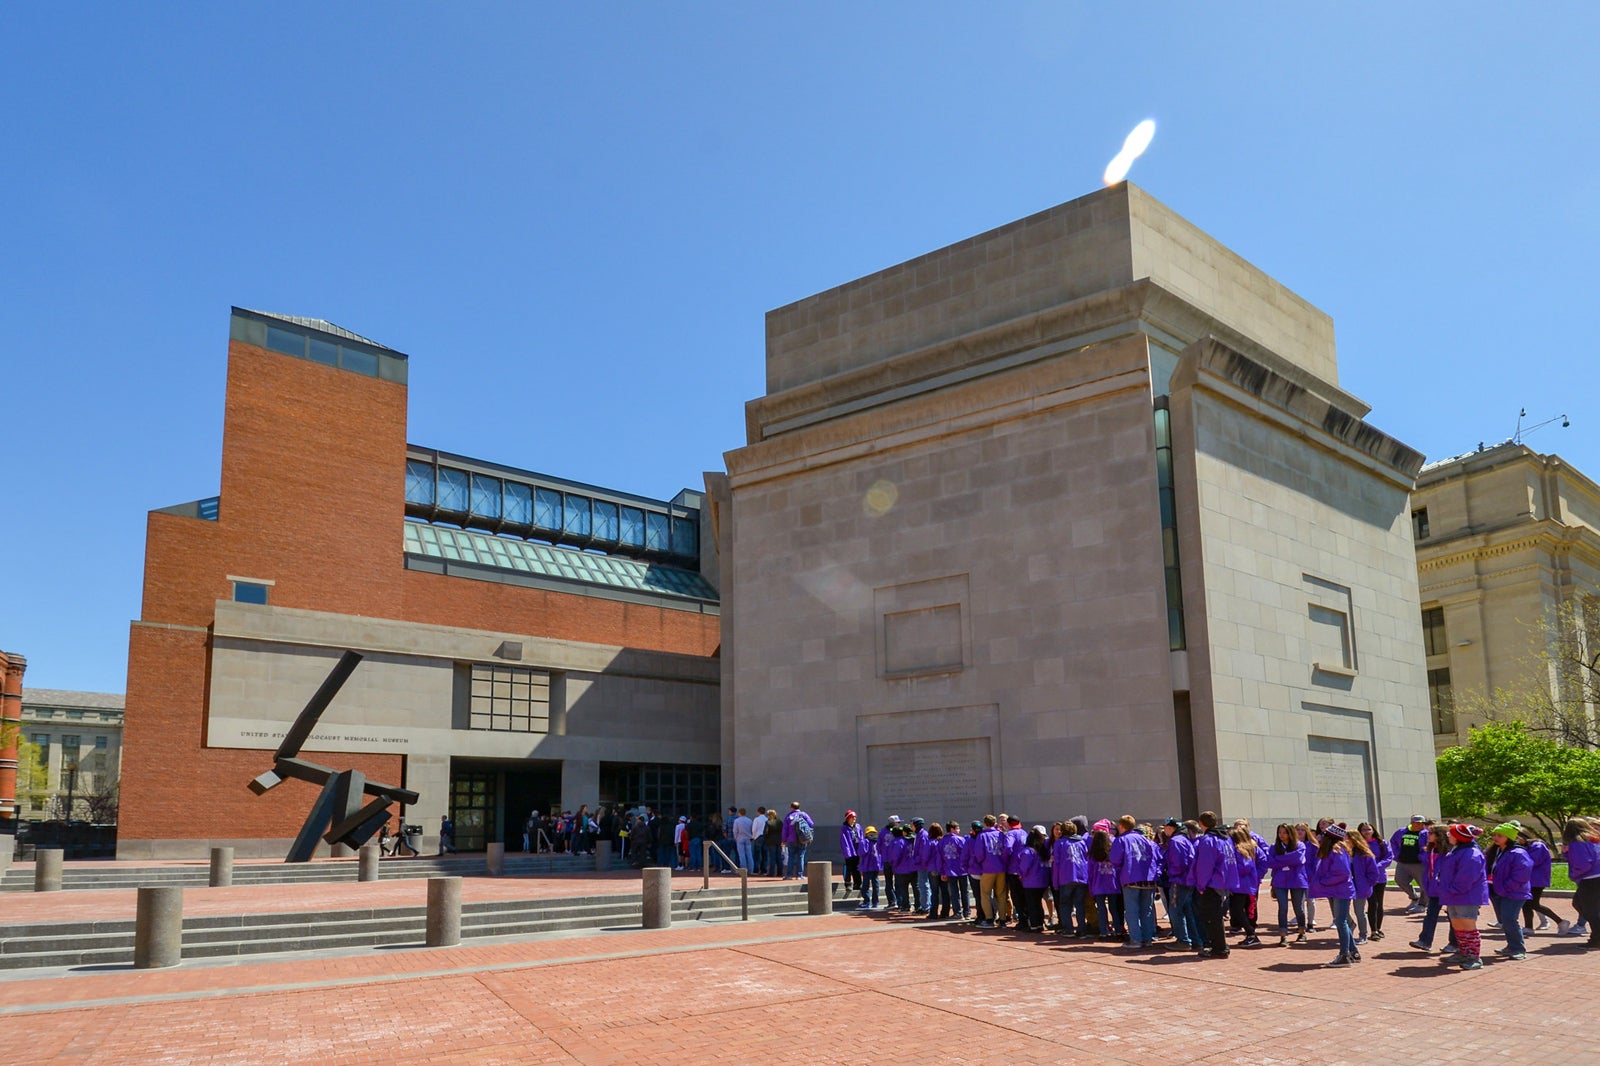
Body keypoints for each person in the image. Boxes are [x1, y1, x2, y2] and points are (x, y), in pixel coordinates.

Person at [1437, 823, 1490, 970]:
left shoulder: (1471, 854)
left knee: (1467, 926)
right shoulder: (1458, 850)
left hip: (1466, 896)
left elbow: (1466, 878)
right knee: (1458, 925)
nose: (1448, 836)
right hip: (1454, 895)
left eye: (1451, 834)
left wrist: (1452, 889)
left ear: (1459, 837)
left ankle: (1474, 957)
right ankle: (1463, 952)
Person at [1309, 824, 1357, 967]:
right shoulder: (1333, 850)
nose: (1321, 837)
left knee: (1341, 921)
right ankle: (1353, 951)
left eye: (1324, 835)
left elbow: (1342, 873)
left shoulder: (1337, 851)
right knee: (1342, 921)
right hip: (1338, 890)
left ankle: (1344, 955)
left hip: (1341, 891)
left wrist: (1323, 881)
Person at [1191, 811, 1236, 959]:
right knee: (1217, 916)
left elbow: (1205, 866)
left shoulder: (1208, 840)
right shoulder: (1225, 838)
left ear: (1201, 823)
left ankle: (1219, 948)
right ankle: (1221, 945)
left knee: (1212, 917)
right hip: (1223, 881)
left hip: (1212, 883)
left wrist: (1201, 886)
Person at [1111, 814, 1160, 948]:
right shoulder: (1146, 840)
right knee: (1147, 910)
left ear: (1121, 826)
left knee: (1132, 910)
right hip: (1148, 878)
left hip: (1131, 877)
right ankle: (1148, 938)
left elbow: (1115, 860)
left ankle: (1136, 939)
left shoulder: (1121, 840)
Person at [1488, 822, 1533, 961]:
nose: (1495, 838)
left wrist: (1506, 887)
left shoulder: (1518, 853)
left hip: (1514, 892)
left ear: (1509, 837)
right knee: (1505, 920)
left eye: (1499, 835)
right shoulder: (1497, 851)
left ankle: (1518, 948)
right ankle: (1511, 946)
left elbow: (1521, 875)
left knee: (1509, 919)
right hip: (1498, 891)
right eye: (1494, 835)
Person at [1410, 824, 1454, 953]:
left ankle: (1454, 944)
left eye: (1430, 833)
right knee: (1430, 915)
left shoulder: (1448, 852)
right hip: (1434, 888)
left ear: (1439, 836)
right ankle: (1425, 941)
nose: (1427, 836)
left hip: (1446, 888)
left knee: (1453, 917)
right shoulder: (1431, 850)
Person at [1518, 827, 1567, 935]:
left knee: (1534, 904)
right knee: (1526, 904)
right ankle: (1528, 927)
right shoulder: (1525, 847)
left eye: (1518, 837)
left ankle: (1561, 921)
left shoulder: (1537, 846)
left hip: (1537, 880)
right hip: (1528, 879)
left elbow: (1533, 861)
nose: (1517, 840)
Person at [1265, 823, 1307, 946]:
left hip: (1297, 879)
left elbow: (1298, 859)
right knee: (1282, 907)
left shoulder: (1300, 845)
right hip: (1280, 880)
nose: (1282, 835)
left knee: (1298, 907)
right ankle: (1283, 935)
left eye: (1285, 832)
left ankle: (1302, 931)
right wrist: (1287, 859)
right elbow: (1270, 862)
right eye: (1280, 833)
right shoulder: (1274, 847)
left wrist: (1280, 859)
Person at [1561, 817, 1600, 949]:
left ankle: (1596, 940)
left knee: (1589, 910)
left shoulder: (1577, 842)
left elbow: (1583, 863)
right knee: (1580, 904)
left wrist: (1574, 874)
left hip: (1590, 878)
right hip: (1595, 877)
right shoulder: (1593, 839)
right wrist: (1567, 853)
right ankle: (1596, 937)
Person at [1160, 819, 1200, 948]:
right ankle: (1195, 940)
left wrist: (1171, 873)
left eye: (1165, 827)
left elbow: (1179, 862)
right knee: (1187, 910)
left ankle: (1183, 940)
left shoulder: (1176, 841)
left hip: (1179, 880)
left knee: (1176, 911)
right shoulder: (1184, 839)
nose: (1164, 830)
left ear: (1171, 828)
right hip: (1187, 880)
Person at [1052, 819, 1089, 938]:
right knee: (1080, 904)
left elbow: (1056, 863)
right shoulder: (1082, 842)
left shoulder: (1060, 843)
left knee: (1065, 904)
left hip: (1066, 876)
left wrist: (1055, 881)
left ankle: (1068, 929)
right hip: (1081, 876)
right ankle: (1081, 929)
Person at [1088, 828, 1125, 941]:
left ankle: (1104, 931)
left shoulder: (1093, 856)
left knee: (1101, 908)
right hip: (1112, 884)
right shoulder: (1112, 854)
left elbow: (1090, 872)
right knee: (1113, 908)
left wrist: (1091, 887)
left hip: (1098, 885)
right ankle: (1118, 930)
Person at [1228, 828, 1263, 947]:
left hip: (1241, 885)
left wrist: (1232, 872)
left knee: (1237, 910)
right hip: (1243, 884)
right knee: (1237, 909)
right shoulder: (1247, 848)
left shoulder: (1240, 850)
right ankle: (1250, 934)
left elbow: (1244, 867)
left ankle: (1251, 934)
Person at [972, 815, 1009, 928]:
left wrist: (982, 862)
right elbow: (1006, 849)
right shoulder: (1001, 834)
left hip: (988, 867)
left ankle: (989, 919)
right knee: (1001, 894)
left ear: (985, 823)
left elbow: (979, 853)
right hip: (1001, 867)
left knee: (985, 894)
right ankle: (1002, 920)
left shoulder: (982, 836)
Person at [1356, 823, 1391, 940]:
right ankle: (1373, 930)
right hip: (1366, 879)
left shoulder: (1381, 843)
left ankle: (1378, 928)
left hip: (1380, 877)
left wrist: (1377, 866)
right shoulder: (1358, 845)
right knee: (1373, 903)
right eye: (1363, 830)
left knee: (1379, 904)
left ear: (1373, 830)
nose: (1366, 832)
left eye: (1368, 829)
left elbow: (1388, 857)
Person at [1349, 828, 1383, 945]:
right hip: (1346, 886)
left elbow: (1374, 873)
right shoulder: (1344, 852)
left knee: (1359, 911)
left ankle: (1363, 935)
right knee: (1340, 911)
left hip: (1361, 886)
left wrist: (1368, 883)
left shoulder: (1365, 853)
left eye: (1347, 839)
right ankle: (1351, 924)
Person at [1390, 814, 1430, 913]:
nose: (1420, 825)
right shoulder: (1401, 832)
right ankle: (1414, 898)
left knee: (1424, 885)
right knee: (1400, 880)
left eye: (1422, 823)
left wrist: (1423, 857)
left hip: (1419, 864)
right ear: (1412, 823)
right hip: (1403, 862)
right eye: (1417, 823)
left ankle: (1422, 904)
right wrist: (1397, 855)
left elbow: (1430, 847)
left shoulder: (1426, 834)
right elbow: (1393, 842)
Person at [1014, 825, 1050, 932]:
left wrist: (1020, 874)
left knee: (1032, 904)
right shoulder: (1042, 851)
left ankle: (1035, 925)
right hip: (1042, 881)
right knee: (1038, 904)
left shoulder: (1028, 851)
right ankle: (1040, 923)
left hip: (1031, 881)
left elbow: (1024, 867)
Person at [939, 821, 970, 920]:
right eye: (957, 828)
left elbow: (941, 858)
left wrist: (942, 872)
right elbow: (966, 854)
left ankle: (957, 912)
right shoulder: (961, 840)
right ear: (952, 829)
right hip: (962, 869)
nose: (959, 830)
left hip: (950, 870)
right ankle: (967, 912)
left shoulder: (942, 842)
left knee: (954, 892)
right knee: (964, 891)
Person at [783, 801, 814, 879]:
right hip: (802, 839)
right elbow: (811, 824)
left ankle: (789, 875)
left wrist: (784, 840)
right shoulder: (803, 815)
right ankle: (800, 875)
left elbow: (785, 830)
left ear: (791, 808)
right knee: (801, 857)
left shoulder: (789, 816)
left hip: (791, 840)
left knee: (791, 857)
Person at [839, 810, 866, 897]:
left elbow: (861, 838)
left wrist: (862, 849)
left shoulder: (858, 826)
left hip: (857, 850)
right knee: (848, 867)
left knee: (857, 868)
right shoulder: (844, 828)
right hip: (850, 851)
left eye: (855, 817)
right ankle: (848, 884)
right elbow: (844, 841)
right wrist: (847, 852)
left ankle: (857, 884)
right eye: (852, 817)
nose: (854, 819)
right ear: (848, 818)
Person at [857, 825, 882, 909]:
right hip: (875, 866)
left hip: (867, 866)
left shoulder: (865, 842)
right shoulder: (877, 842)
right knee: (875, 884)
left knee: (866, 885)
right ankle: (875, 902)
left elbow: (861, 852)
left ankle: (866, 902)